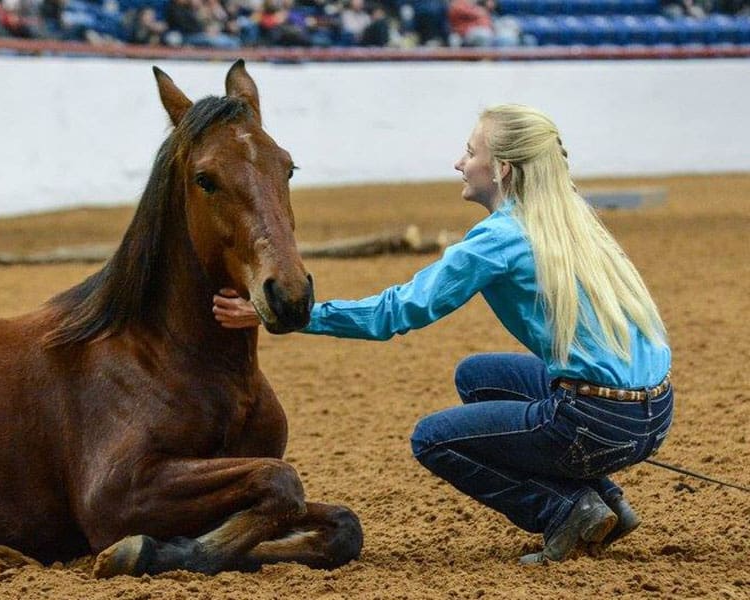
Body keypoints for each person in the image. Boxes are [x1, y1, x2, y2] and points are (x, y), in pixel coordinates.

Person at [212, 104, 673, 564]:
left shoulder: (496, 240)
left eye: (470, 152)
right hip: (651, 414)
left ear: (502, 170)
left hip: (595, 424)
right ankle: (607, 501)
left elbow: (394, 313)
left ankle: (566, 508)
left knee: (432, 439)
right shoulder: (571, 217)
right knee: (476, 375)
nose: (460, 163)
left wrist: (291, 315)